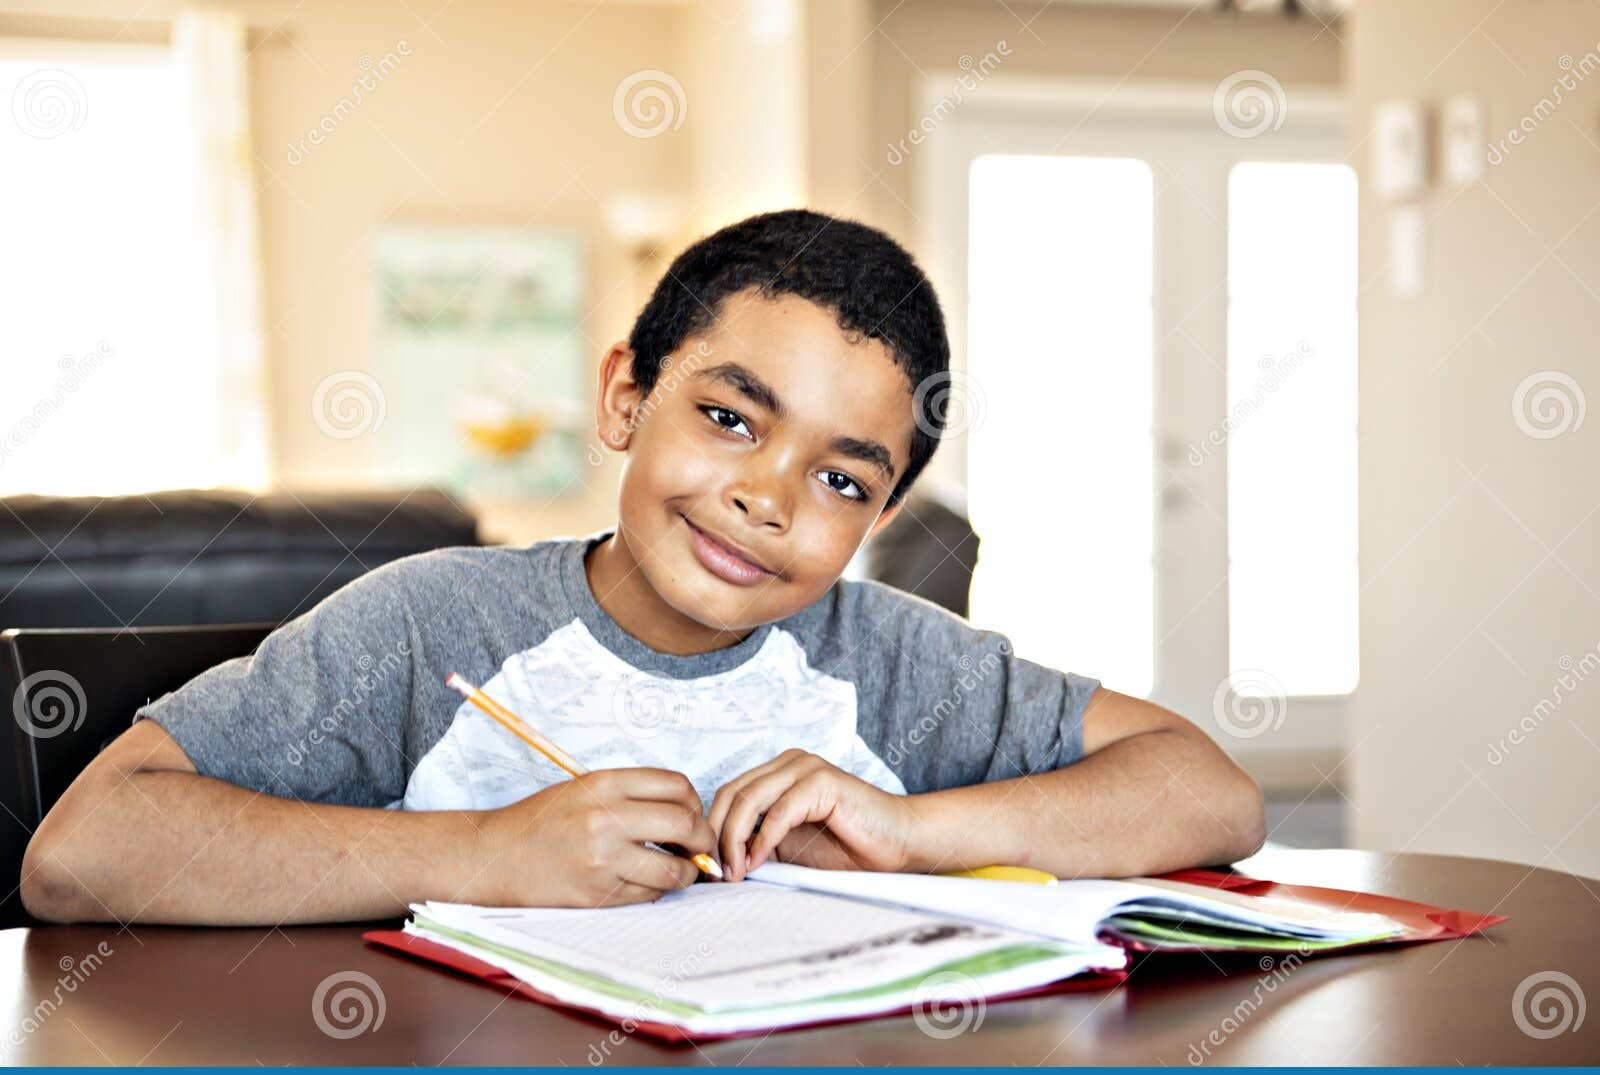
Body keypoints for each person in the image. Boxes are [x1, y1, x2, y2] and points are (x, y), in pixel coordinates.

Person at [22, 209, 1264, 925]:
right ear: (626, 397)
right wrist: (481, 854)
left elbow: (1209, 792)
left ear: (881, 512)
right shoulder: (428, 625)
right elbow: (82, 852)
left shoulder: (892, 660)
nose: (766, 497)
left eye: (842, 479)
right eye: (728, 417)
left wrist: (908, 830)